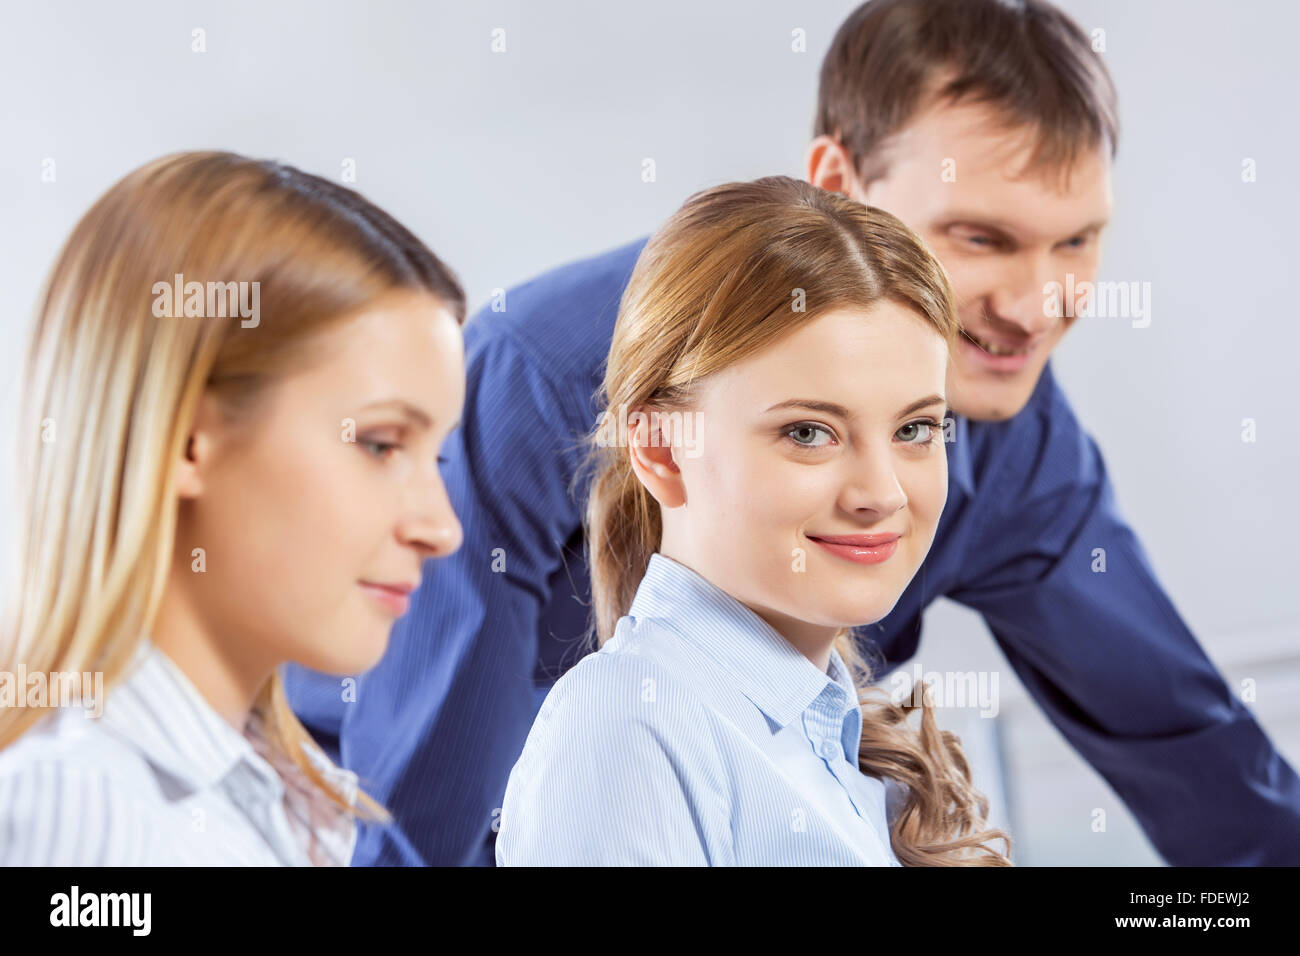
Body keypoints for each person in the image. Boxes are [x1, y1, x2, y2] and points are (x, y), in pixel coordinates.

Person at [288, 0, 1300, 866]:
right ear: (838, 185)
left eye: (1076, 239)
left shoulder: (1015, 435)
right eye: (979, 237)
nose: (1037, 305)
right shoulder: (535, 380)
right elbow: (422, 801)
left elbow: (1194, 754)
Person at [496, 177, 1011, 865]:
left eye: (916, 428)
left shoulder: (843, 748)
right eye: (808, 433)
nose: (881, 493)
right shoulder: (627, 729)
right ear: (660, 448)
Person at [0, 151, 466, 865]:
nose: (442, 529)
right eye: (379, 445)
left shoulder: (288, 804)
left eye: (435, 457)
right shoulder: (83, 811)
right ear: (188, 440)